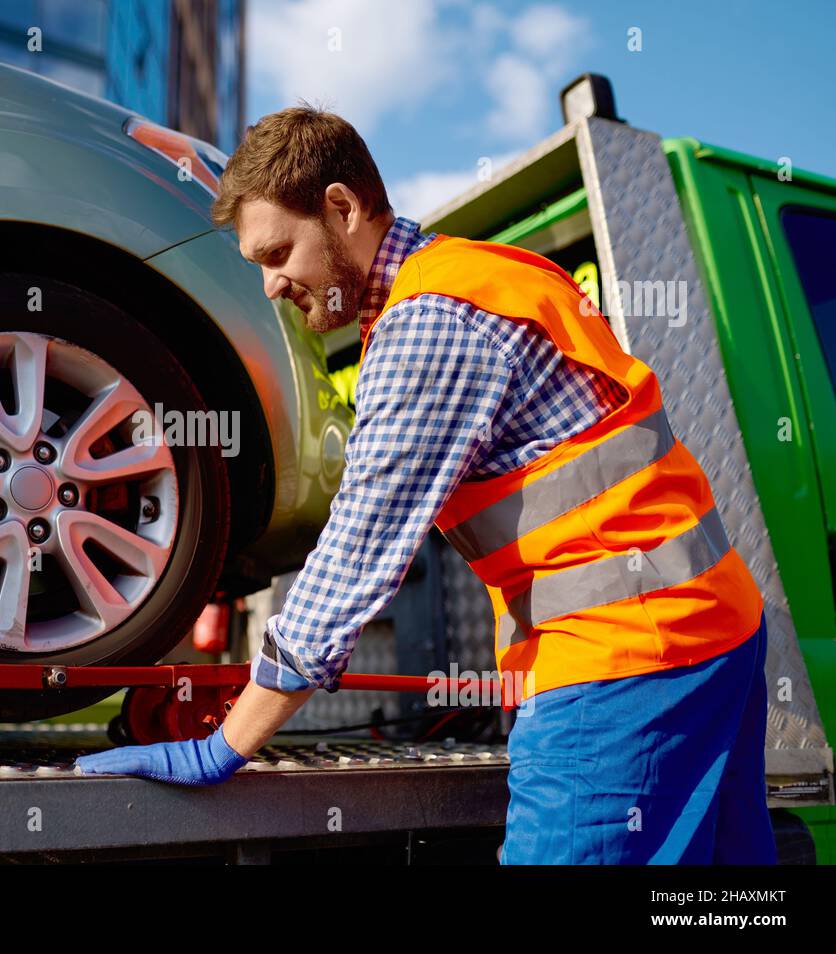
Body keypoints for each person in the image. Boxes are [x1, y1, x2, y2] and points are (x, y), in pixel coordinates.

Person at [76, 105, 775, 864]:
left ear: (340, 209)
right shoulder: (480, 274)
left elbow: (358, 553)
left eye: (278, 252)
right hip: (714, 627)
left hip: (627, 663)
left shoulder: (429, 325)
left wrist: (226, 746)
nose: (272, 284)